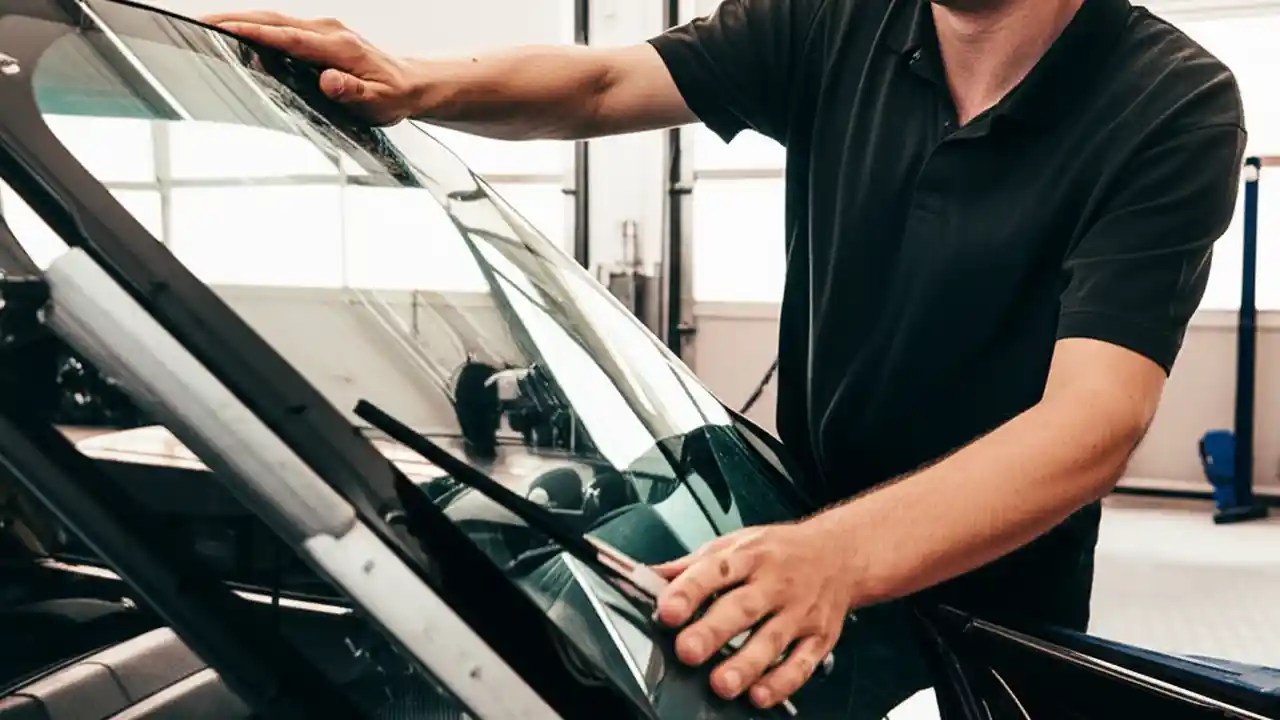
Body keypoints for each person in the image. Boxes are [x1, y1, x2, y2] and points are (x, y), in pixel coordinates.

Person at [207, 0, 1245, 714]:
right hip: (789, 536)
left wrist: (839, 559)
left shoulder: (1168, 101)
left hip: (991, 601)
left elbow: (1091, 422)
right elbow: (602, 83)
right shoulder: (833, 22)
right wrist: (414, 81)